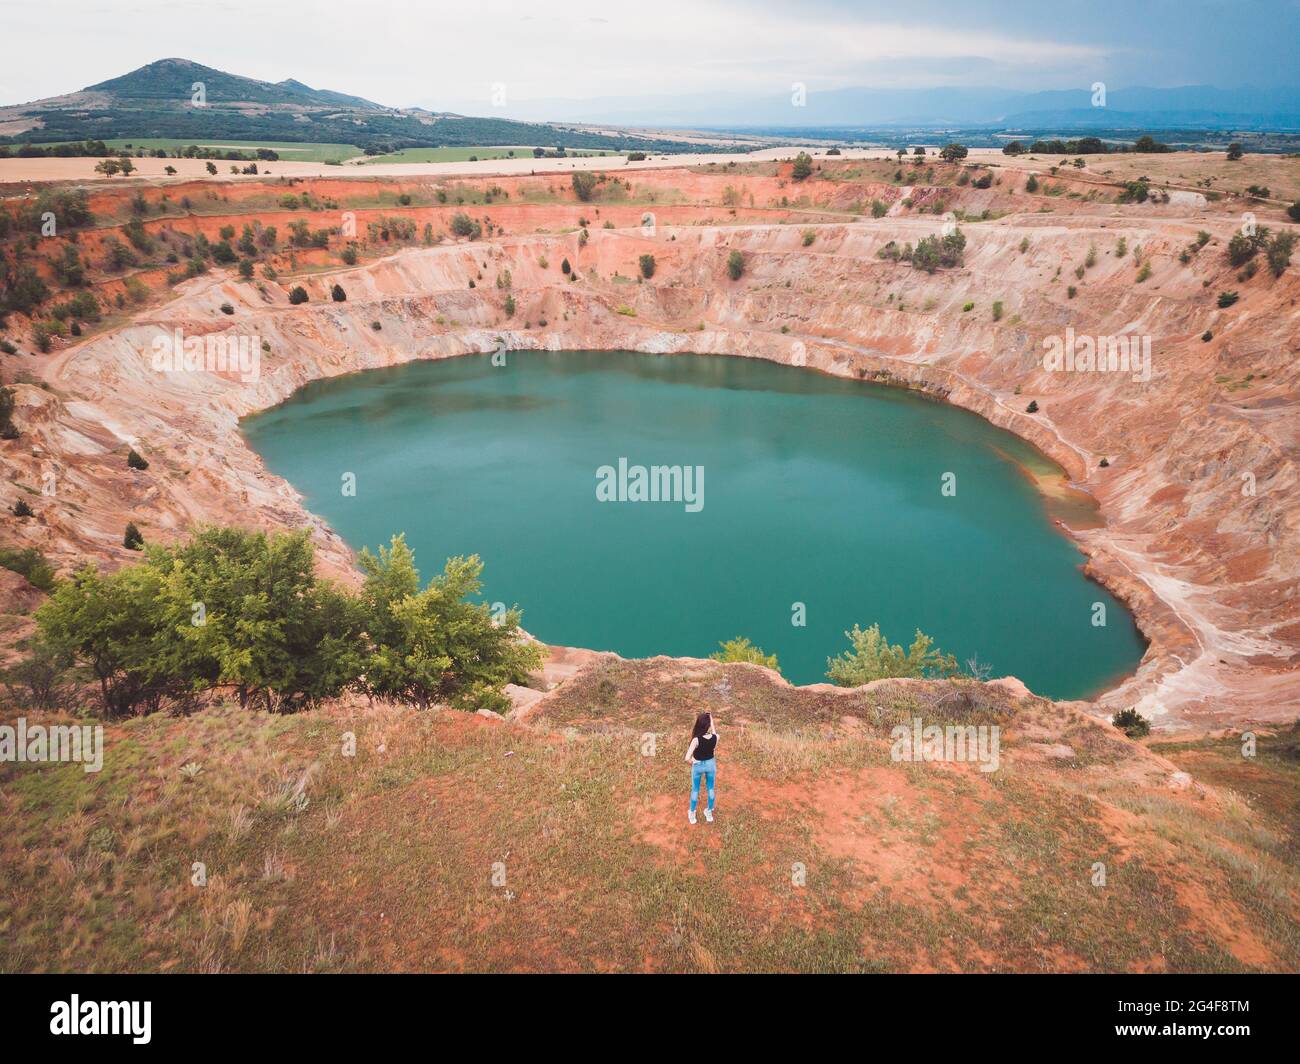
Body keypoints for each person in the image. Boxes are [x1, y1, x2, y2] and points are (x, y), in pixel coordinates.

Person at [684, 711, 718, 824]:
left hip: (698, 766)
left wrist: (693, 762)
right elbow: (714, 732)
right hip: (710, 765)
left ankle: (692, 815)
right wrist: (711, 720)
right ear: (708, 725)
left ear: (698, 724)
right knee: (711, 789)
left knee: (695, 790)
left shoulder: (696, 740)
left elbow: (687, 758)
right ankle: (709, 812)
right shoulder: (715, 738)